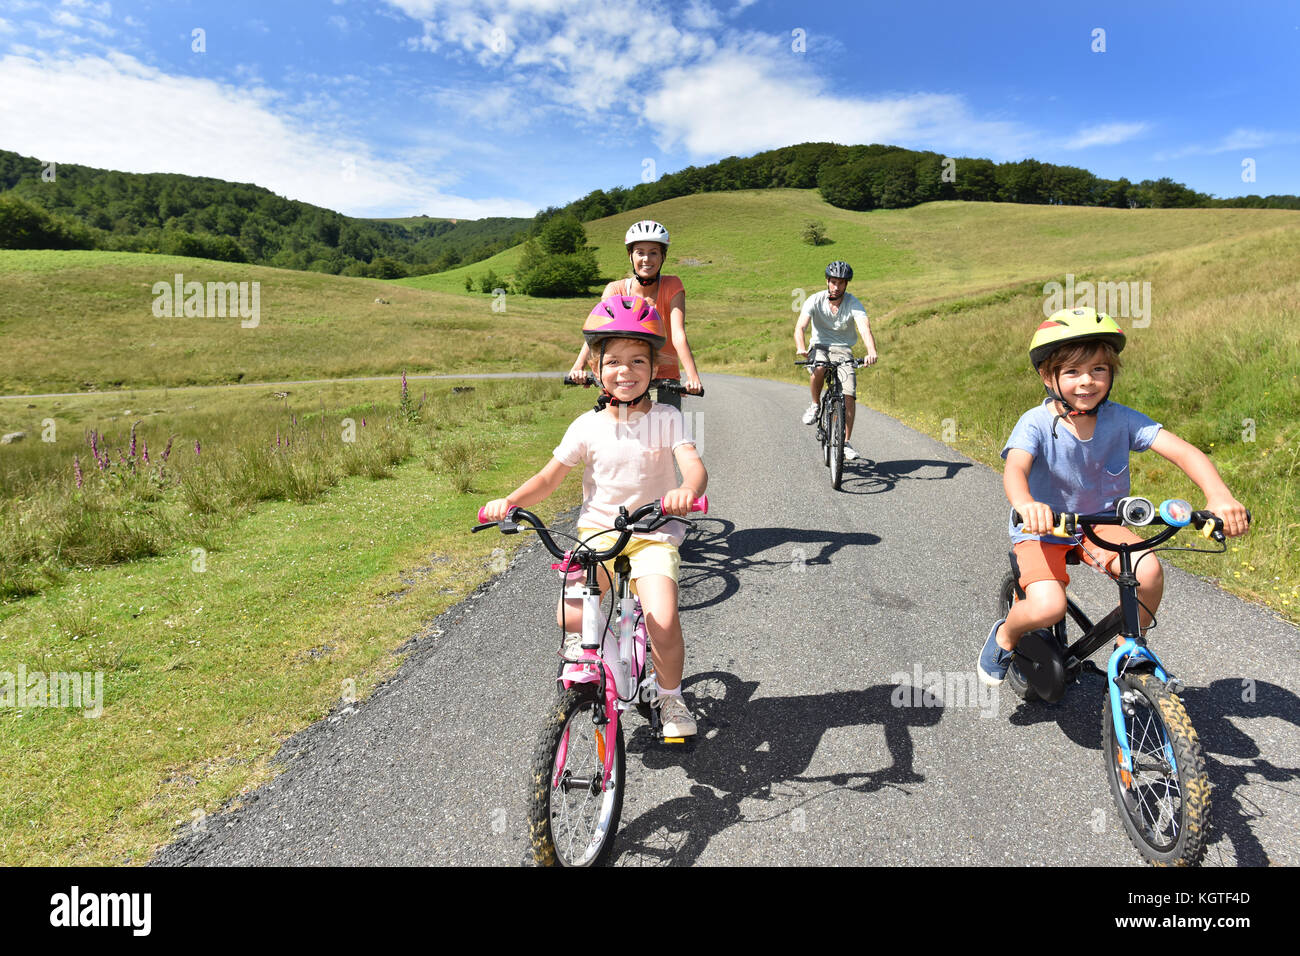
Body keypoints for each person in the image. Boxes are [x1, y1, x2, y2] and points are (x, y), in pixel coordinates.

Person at [978, 307, 1249, 685]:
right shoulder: (1035, 423)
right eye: (1072, 372)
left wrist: (1219, 495)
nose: (1086, 382)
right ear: (1047, 375)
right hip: (1043, 528)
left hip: (1100, 525)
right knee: (1047, 607)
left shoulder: (1121, 419)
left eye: (1098, 370)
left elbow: (1185, 452)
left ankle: (1129, 646)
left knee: (1149, 571)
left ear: (1111, 373)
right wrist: (1026, 504)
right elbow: (1016, 469)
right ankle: (1006, 635)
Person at [486, 294, 709, 736]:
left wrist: (687, 490)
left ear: (654, 368)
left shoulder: (666, 418)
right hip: (597, 533)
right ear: (595, 369)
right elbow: (549, 479)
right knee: (569, 614)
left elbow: (693, 466)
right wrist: (510, 501)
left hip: (653, 534)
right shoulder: (586, 426)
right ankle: (599, 656)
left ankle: (670, 697)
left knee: (662, 619)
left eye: (638, 361)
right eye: (614, 362)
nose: (625, 371)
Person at [567, 220, 703, 409]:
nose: (647, 259)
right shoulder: (615, 290)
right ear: (630, 256)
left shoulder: (672, 286)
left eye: (653, 252)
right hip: (623, 376)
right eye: (640, 252)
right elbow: (596, 334)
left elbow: (678, 334)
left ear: (663, 256)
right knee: (617, 431)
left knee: (668, 431)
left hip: (664, 376)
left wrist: (693, 376)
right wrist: (578, 367)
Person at [794, 260, 878, 461]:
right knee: (820, 367)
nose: (836, 286)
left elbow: (864, 328)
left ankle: (846, 442)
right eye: (833, 282)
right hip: (819, 346)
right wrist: (801, 347)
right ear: (827, 281)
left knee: (849, 393)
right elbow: (800, 328)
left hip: (843, 350)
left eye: (841, 283)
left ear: (846, 284)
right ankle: (815, 405)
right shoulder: (814, 300)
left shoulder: (853, 303)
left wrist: (871, 351)